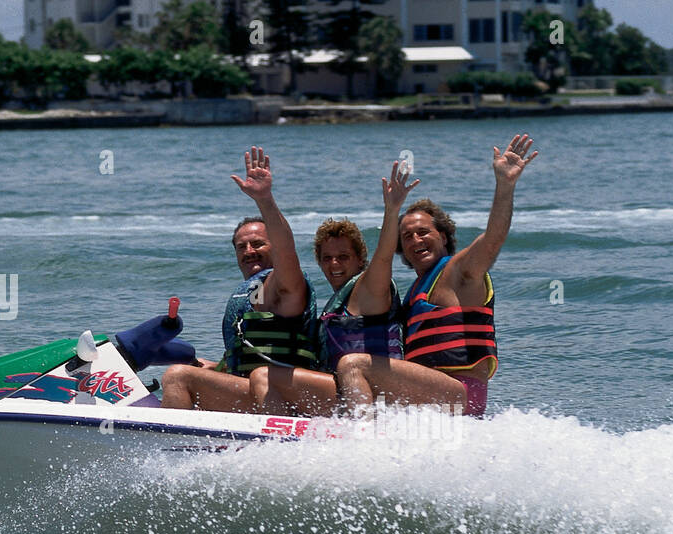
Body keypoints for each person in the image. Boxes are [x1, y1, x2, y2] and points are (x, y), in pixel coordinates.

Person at [336, 134, 538, 418]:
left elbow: (492, 240)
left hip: (459, 392)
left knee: (353, 366)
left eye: (423, 232)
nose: (416, 240)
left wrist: (505, 185)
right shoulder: (418, 288)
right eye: (407, 237)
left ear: (442, 236)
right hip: (430, 397)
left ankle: (363, 440)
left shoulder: (458, 272)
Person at [249, 159, 420, 415]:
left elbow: (384, 257)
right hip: (348, 393)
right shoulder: (337, 304)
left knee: (264, 377)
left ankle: (278, 444)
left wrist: (392, 210)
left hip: (379, 394)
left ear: (360, 260)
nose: (335, 264)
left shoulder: (369, 290)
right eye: (327, 258)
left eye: (343, 256)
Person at [160, 146, 318, 412]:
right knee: (189, 370)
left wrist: (264, 200)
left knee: (178, 377)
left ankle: (163, 452)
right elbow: (250, 353)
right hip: (255, 393)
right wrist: (214, 367)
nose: (249, 251)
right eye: (241, 247)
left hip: (286, 399)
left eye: (258, 244)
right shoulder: (251, 294)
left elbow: (286, 252)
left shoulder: (282, 286)